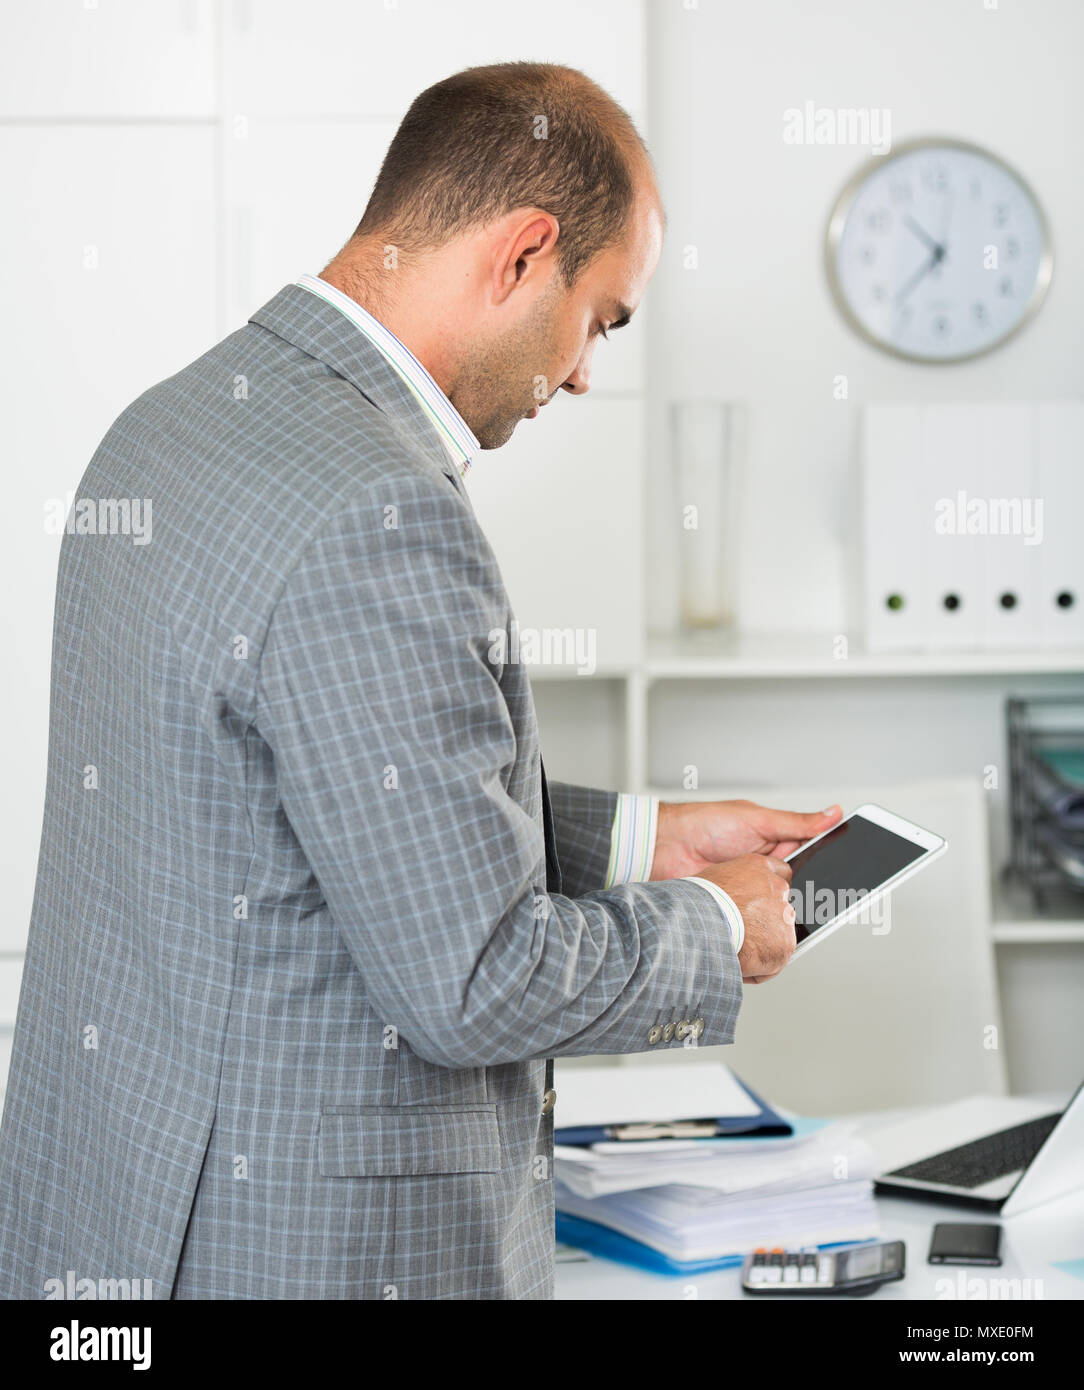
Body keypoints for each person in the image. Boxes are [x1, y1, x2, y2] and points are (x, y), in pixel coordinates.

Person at [0, 61, 840, 1301]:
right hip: (289, 1246)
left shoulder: (170, 422)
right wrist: (720, 924)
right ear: (522, 253)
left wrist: (646, 840)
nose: (586, 373)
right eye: (601, 318)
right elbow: (473, 979)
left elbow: (290, 802)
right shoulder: (381, 507)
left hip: (113, 1212)